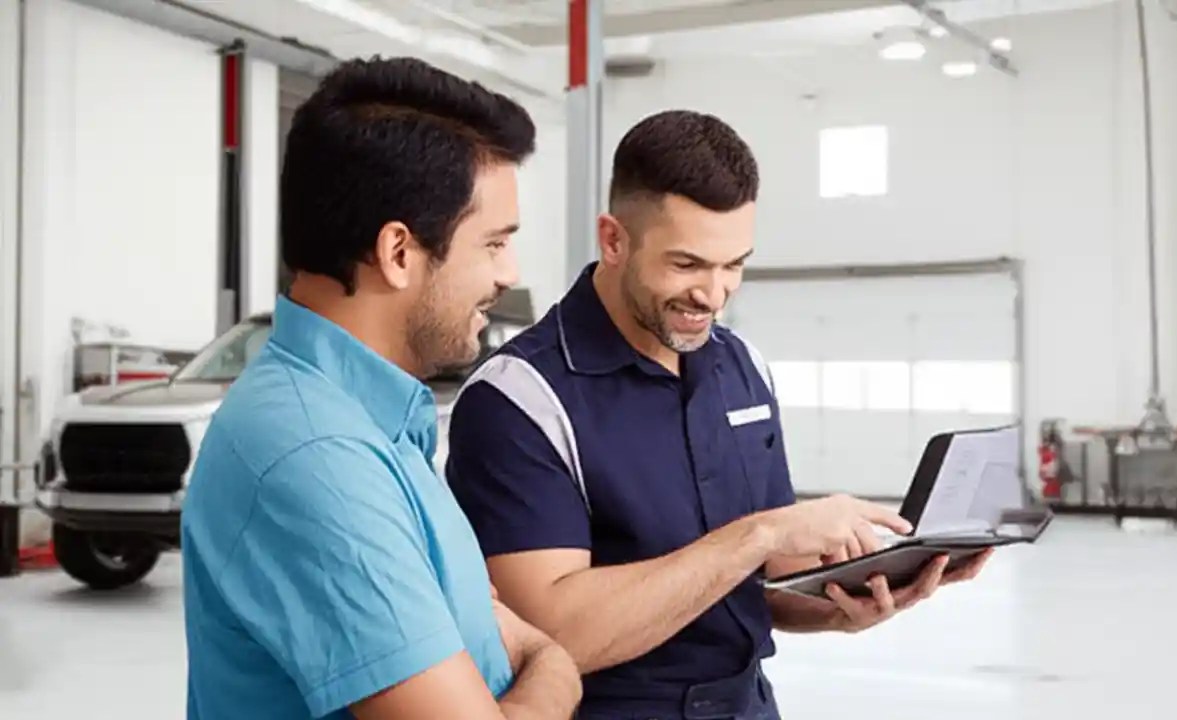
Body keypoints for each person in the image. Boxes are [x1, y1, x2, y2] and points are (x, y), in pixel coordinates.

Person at [444, 110, 992, 719]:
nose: (713, 294)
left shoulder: (741, 366)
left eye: (734, 264)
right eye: (686, 265)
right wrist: (761, 534)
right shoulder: (519, 398)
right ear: (613, 240)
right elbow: (550, 637)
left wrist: (846, 601)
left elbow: (763, 586)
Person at [181, 57, 582, 720]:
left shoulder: (372, 424)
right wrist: (555, 668)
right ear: (399, 253)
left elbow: (504, 638)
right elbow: (531, 651)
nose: (508, 273)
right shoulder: (316, 455)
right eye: (493, 244)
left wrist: (540, 657)